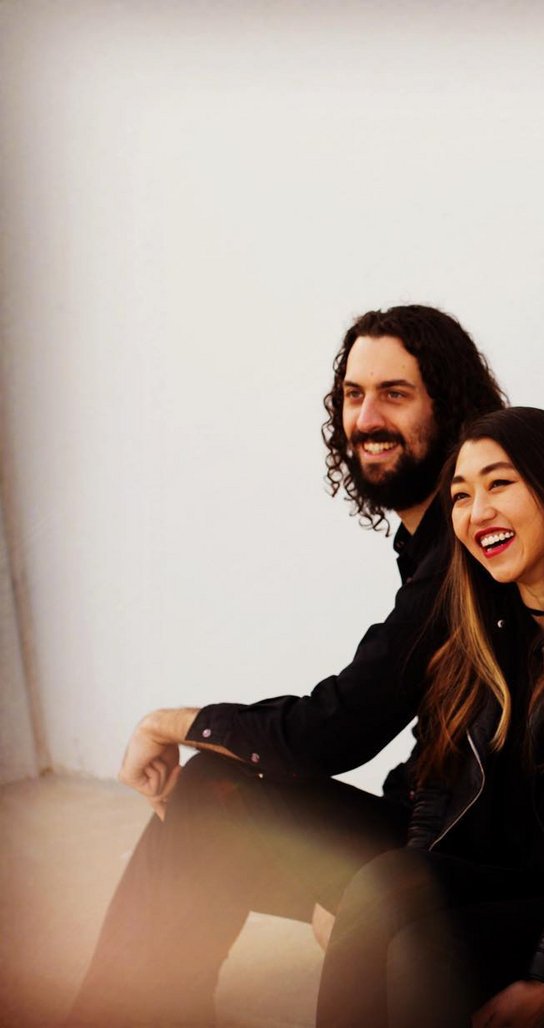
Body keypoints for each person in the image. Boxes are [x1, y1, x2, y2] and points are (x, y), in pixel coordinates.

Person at [68, 304, 505, 1025]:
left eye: (395, 394)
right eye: (353, 395)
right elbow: (438, 739)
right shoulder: (429, 545)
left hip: (474, 867)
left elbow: (333, 730)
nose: (366, 418)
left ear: (450, 408)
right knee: (214, 800)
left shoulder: (462, 551)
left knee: (213, 797)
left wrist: (170, 723)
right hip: (437, 831)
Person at [313, 406, 544, 1027]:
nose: (476, 513)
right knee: (384, 903)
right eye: (461, 496)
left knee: (412, 951)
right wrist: (389, 897)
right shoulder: (475, 632)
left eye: (499, 484)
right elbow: (435, 789)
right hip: (500, 889)